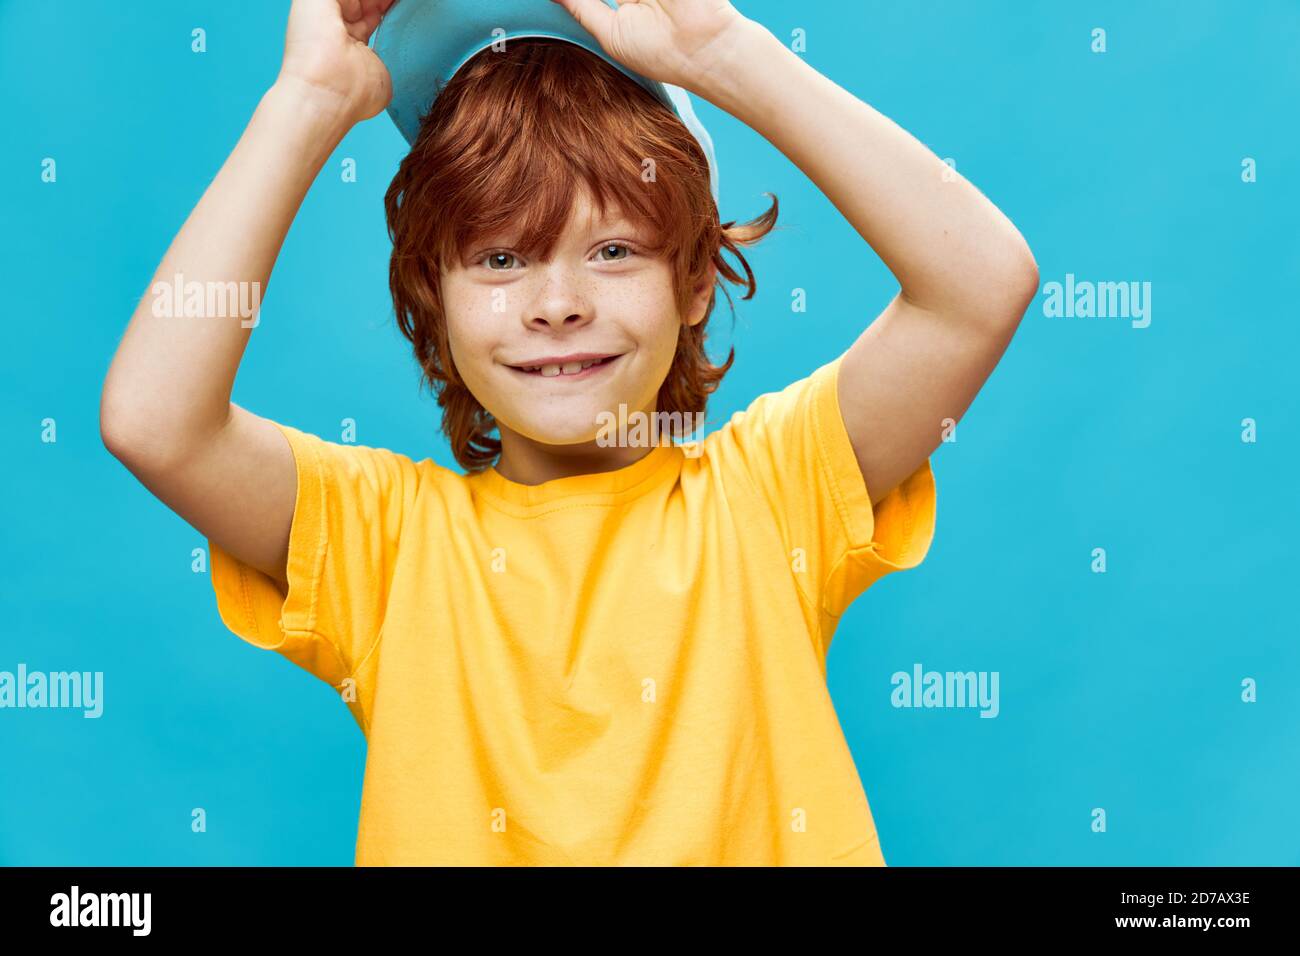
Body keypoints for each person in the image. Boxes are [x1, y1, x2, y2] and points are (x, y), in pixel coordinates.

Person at [100, 0, 1037, 865]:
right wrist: (303, 103)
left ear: (697, 281)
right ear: (433, 296)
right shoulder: (385, 546)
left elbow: (981, 286)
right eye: (501, 258)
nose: (556, 306)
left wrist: (722, 53)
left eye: (614, 250)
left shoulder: (773, 493)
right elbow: (155, 422)